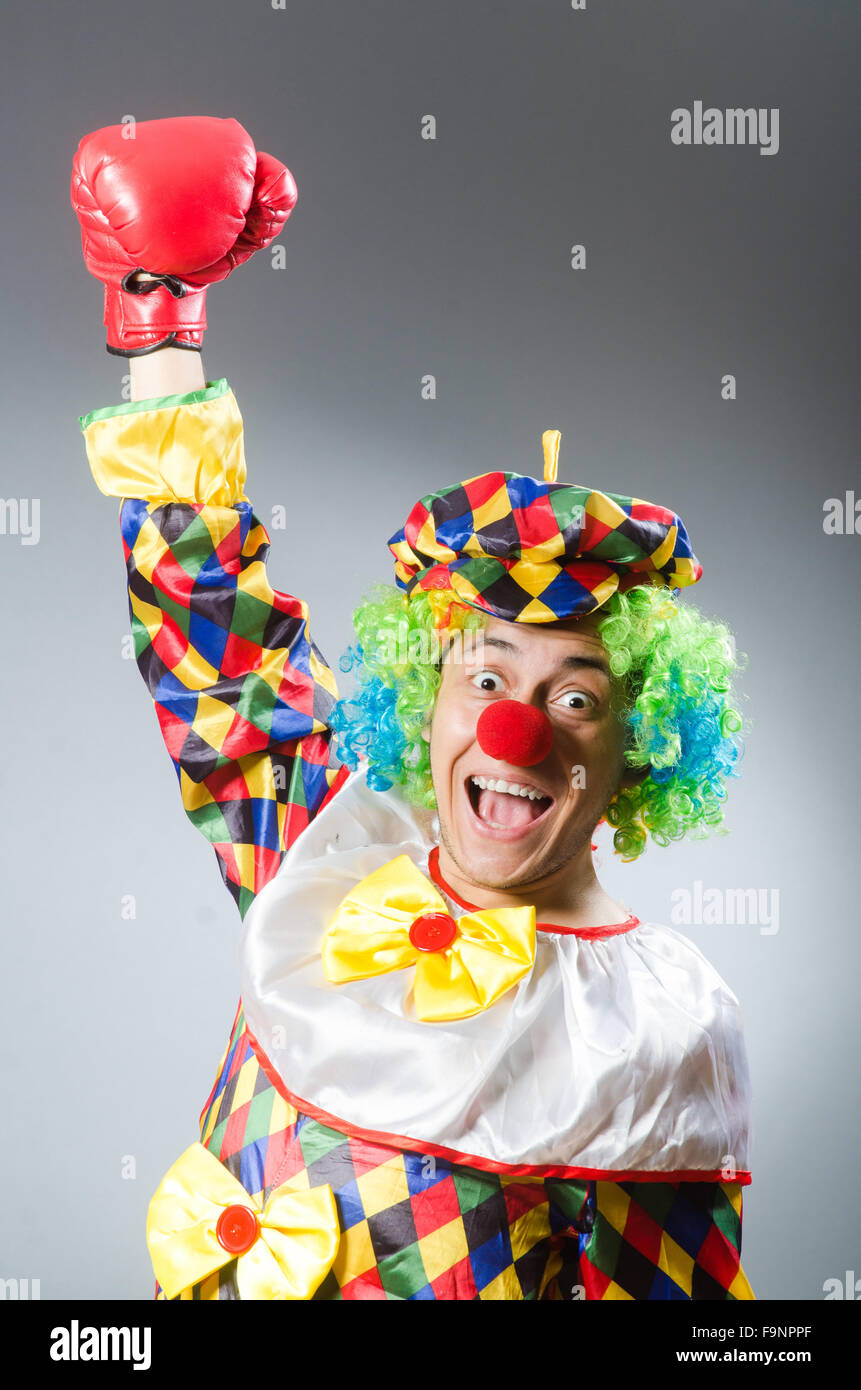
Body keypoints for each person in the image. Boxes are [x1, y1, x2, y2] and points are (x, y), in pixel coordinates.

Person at [72, 115, 754, 1301]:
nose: (513, 730)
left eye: (575, 695)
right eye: (484, 678)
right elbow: (213, 640)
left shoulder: (660, 1038)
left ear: (643, 744)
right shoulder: (336, 848)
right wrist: (161, 316)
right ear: (427, 697)